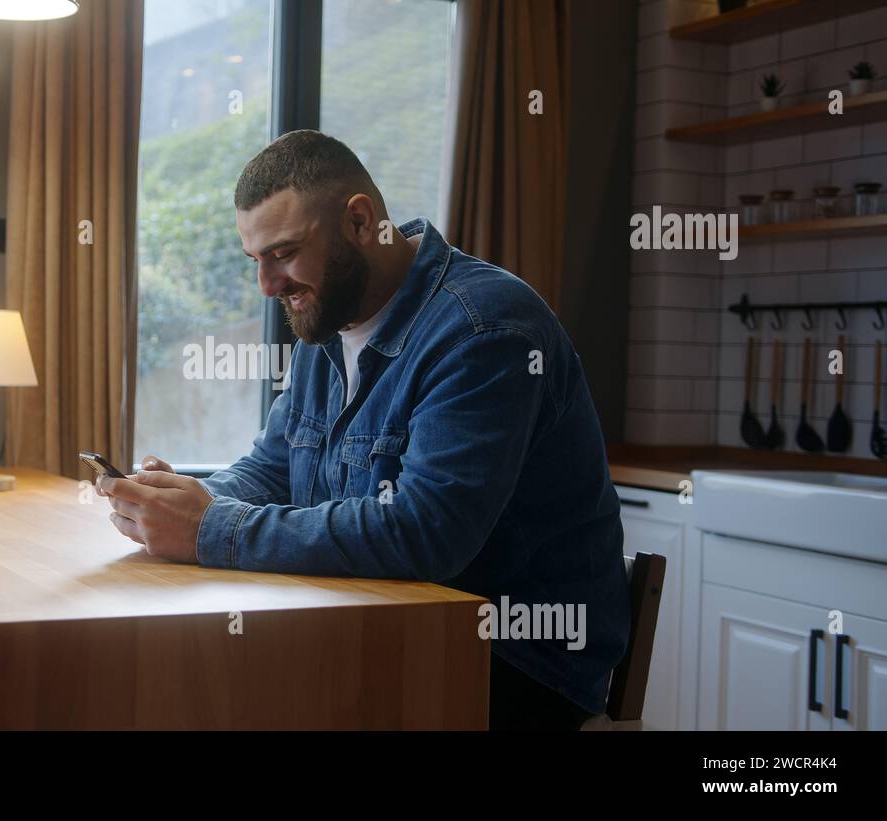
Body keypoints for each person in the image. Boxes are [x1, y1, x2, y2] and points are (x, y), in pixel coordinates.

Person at [97, 129, 630, 730]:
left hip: (512, 662)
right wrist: (186, 503)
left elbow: (426, 533)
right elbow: (275, 465)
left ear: (359, 220)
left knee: (215, 698)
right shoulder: (325, 320)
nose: (268, 286)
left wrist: (209, 528)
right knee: (182, 686)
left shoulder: (486, 332)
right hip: (382, 625)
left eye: (284, 253)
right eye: (256, 261)